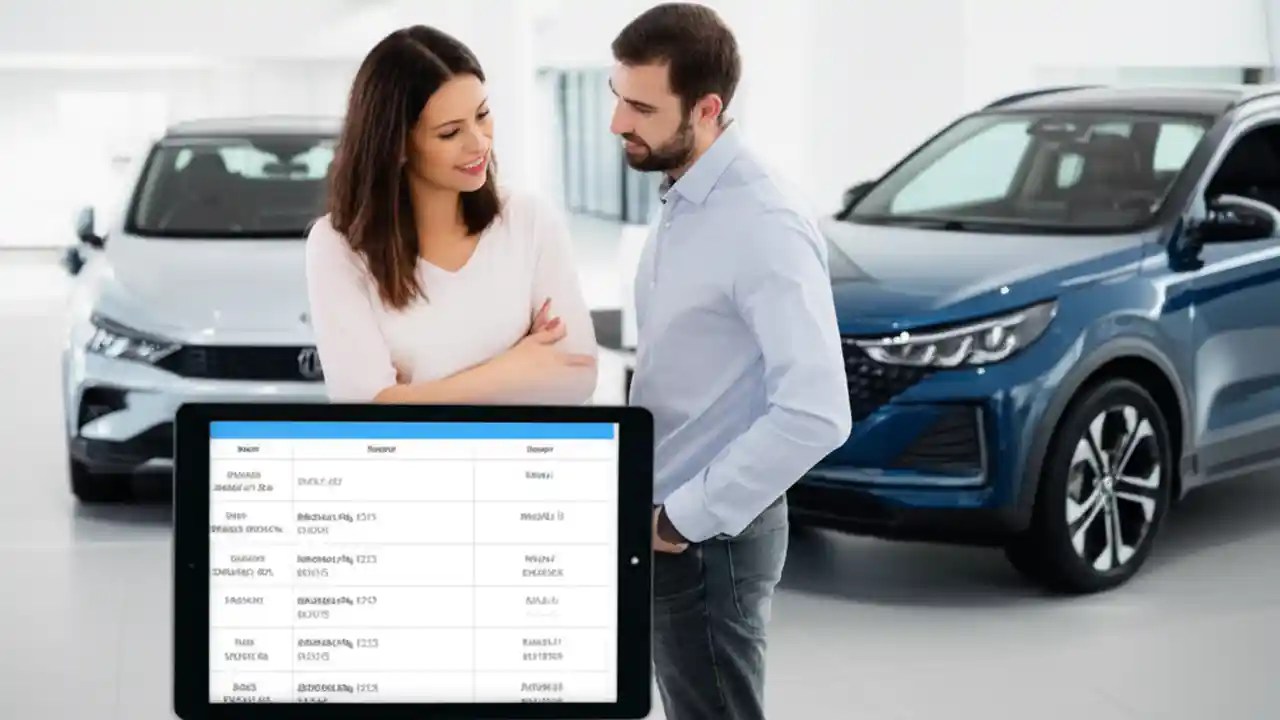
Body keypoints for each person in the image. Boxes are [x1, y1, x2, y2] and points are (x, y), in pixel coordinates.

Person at [608, 4, 853, 719]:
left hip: (706, 543)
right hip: (672, 524)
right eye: (617, 97)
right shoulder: (688, 196)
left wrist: (679, 521)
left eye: (640, 106)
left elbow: (816, 412)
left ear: (707, 108)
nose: (618, 122)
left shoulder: (762, 222)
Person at [305, 25, 598, 405]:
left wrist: (411, 395)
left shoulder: (529, 219)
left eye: (482, 115)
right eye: (449, 133)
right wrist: (515, 367)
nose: (479, 142)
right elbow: (367, 410)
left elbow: (576, 376)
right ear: (398, 147)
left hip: (527, 458)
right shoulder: (337, 245)